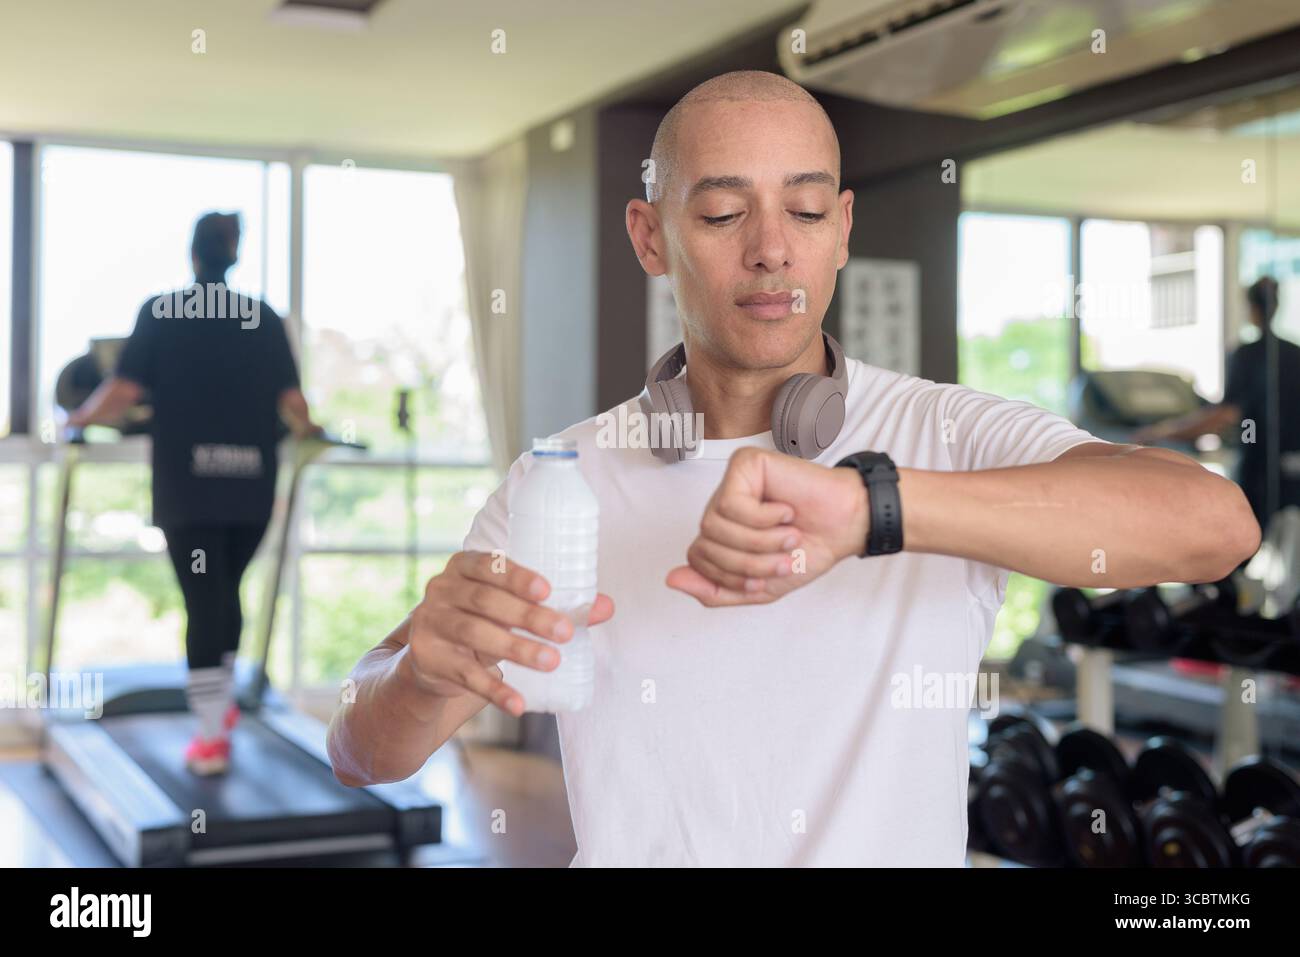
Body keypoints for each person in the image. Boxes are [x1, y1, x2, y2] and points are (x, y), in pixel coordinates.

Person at [326, 71, 1259, 865]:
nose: (772, 247)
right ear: (651, 237)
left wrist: (874, 506)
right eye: (726, 211)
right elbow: (362, 750)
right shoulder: (561, 479)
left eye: (805, 209)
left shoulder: (941, 429)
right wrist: (419, 677)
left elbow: (1215, 524)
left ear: (842, 228)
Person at [68, 211, 321, 776]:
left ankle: (211, 733)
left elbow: (123, 391)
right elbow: (295, 405)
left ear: (193, 253)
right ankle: (219, 705)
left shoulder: (163, 311)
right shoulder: (262, 316)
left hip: (191, 488)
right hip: (250, 487)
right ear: (235, 252)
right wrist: (312, 434)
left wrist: (74, 422)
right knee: (223, 596)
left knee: (206, 603)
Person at [1133, 276, 1300, 535]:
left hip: (1261, 471)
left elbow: (1225, 414)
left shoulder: (1247, 354)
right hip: (1291, 470)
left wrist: (1162, 432)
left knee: (1231, 541)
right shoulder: (1295, 353)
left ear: (1253, 310)